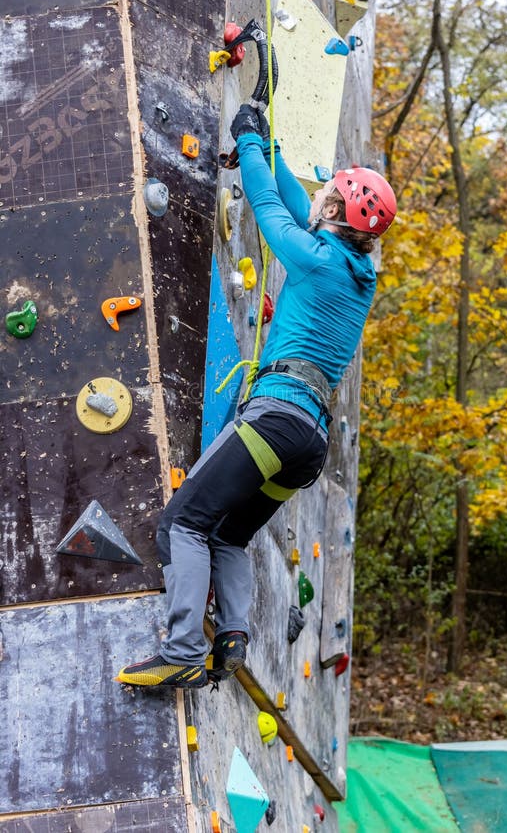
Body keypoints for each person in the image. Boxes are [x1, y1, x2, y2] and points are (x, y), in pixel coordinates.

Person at [116, 104, 397, 688]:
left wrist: (246, 144)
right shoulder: (352, 267)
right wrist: (267, 147)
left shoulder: (317, 260)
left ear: (340, 214)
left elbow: (272, 211)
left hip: (278, 417)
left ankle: (185, 650)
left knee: (182, 525)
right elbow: (300, 204)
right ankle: (234, 637)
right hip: (307, 444)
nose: (321, 197)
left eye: (332, 196)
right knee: (228, 532)